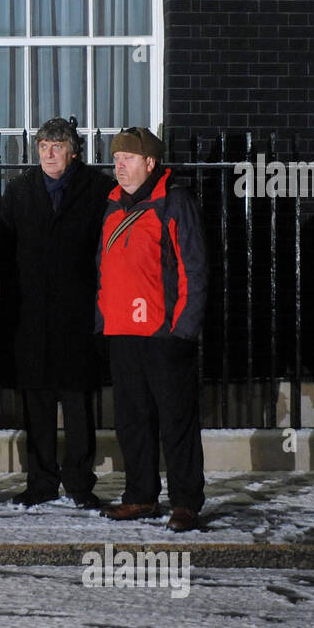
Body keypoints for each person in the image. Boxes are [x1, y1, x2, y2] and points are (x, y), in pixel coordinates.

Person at [0, 117, 116, 510]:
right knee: (38, 405)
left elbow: (107, 253)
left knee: (78, 405)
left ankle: (80, 482)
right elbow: (3, 254)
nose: (48, 153)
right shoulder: (19, 190)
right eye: (43, 145)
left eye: (57, 146)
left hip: (79, 316)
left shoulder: (99, 189)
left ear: (73, 151)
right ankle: (41, 481)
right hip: (30, 318)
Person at [96, 127, 208, 533]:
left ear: (150, 162)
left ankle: (186, 502)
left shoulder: (174, 202)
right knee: (132, 420)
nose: (119, 165)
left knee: (176, 421)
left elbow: (193, 268)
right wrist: (102, 318)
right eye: (116, 158)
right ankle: (140, 496)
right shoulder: (111, 205)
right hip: (122, 332)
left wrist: (184, 329)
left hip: (164, 335)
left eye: (127, 158)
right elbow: (103, 270)